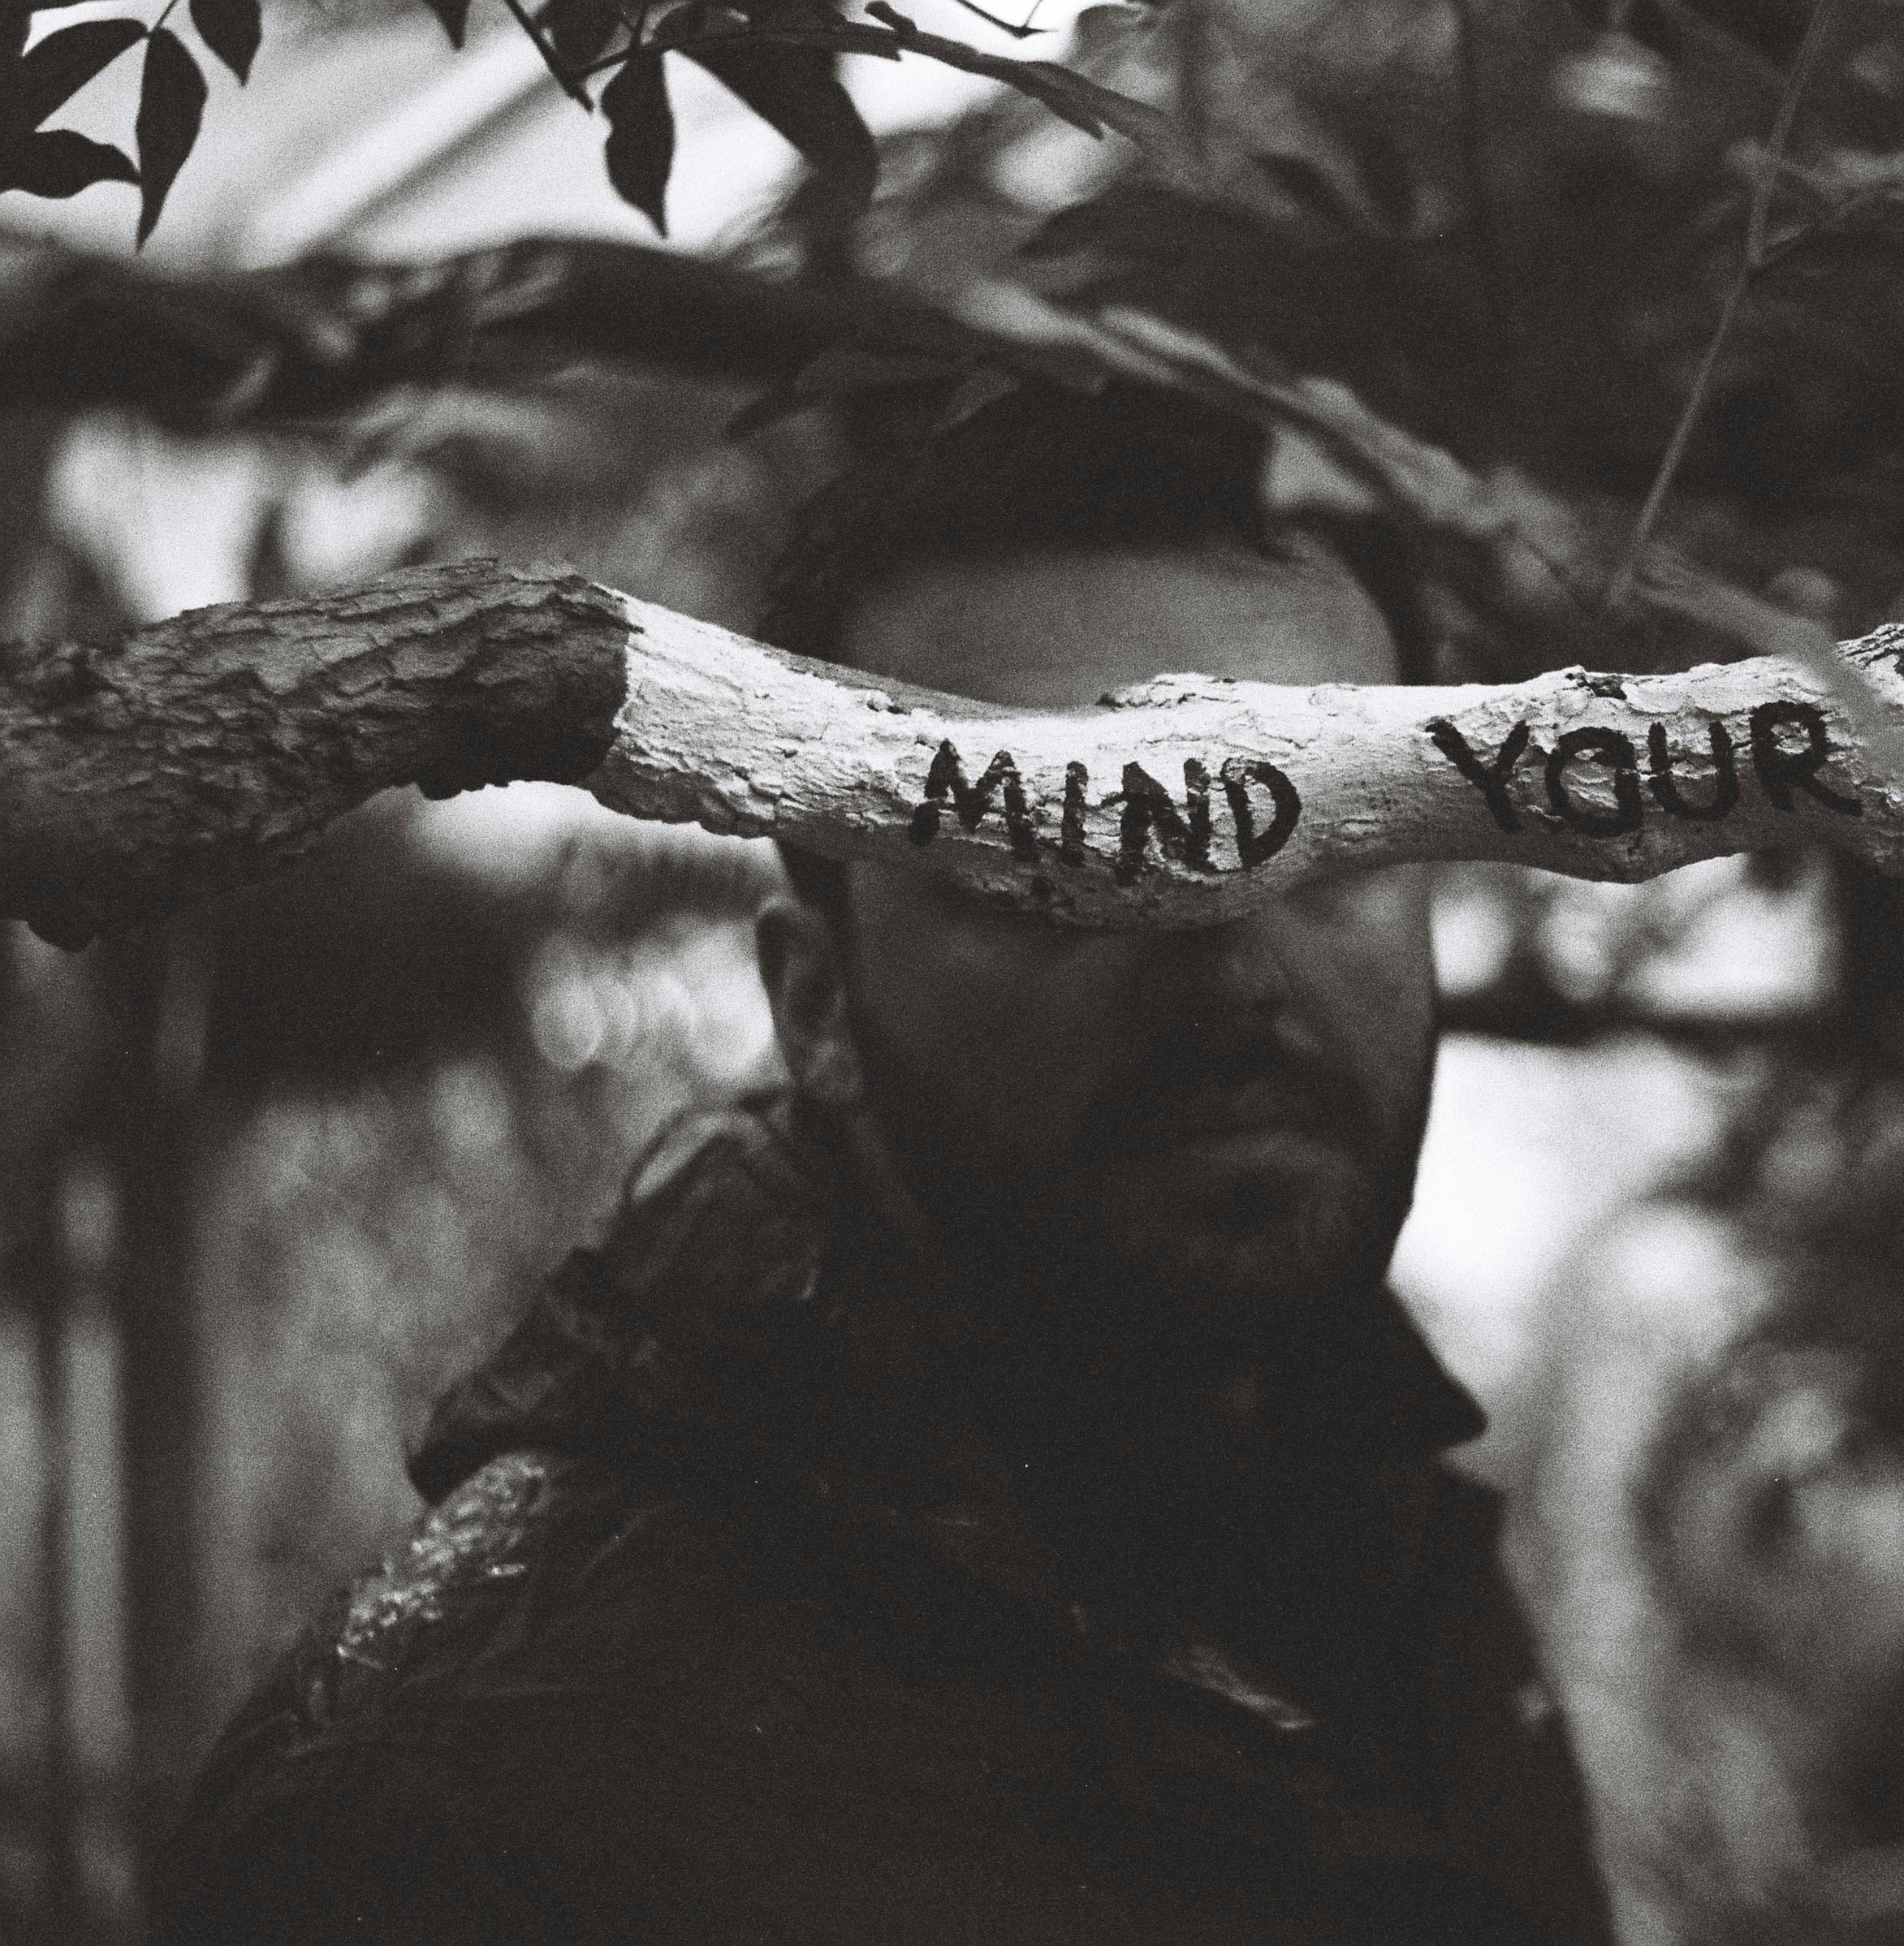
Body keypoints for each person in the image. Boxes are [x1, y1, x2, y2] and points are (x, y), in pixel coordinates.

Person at [153, 382, 1617, 1944]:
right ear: (817, 1002)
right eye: (1064, 857)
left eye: (1332, 842)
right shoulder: (458, 1800)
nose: (1231, 972)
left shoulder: (1396, 1561)